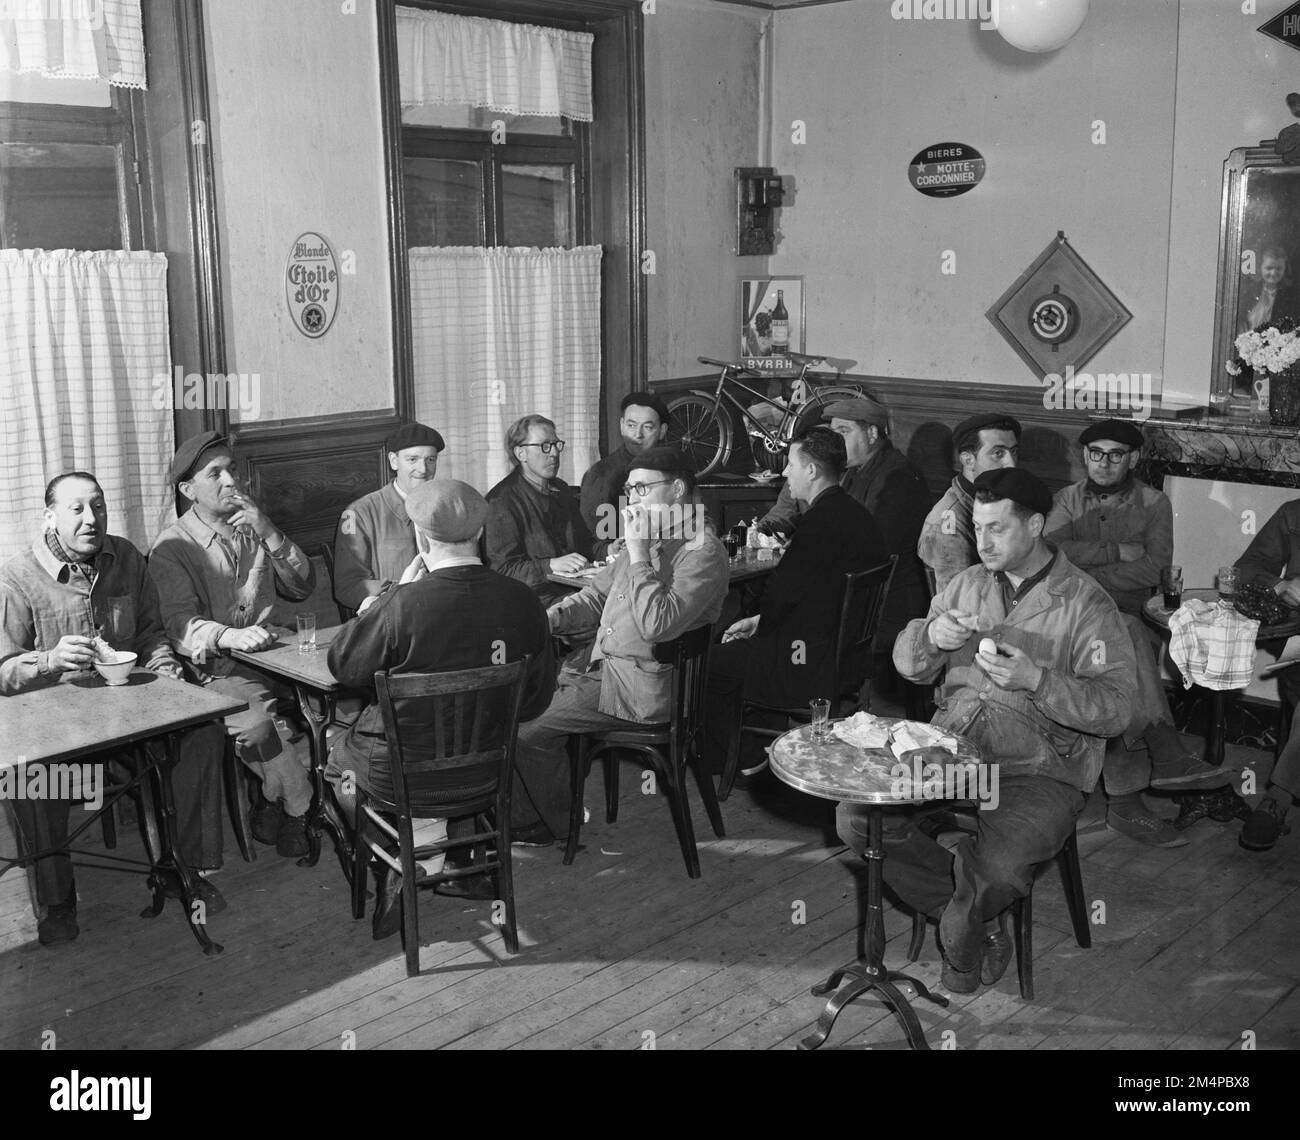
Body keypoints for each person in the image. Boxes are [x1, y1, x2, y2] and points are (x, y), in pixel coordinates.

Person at [842, 468, 1135, 993]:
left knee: (999, 872)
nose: (983, 542)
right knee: (858, 819)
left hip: (1039, 768)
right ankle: (978, 917)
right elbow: (910, 668)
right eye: (977, 528)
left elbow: (1116, 708)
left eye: (997, 528)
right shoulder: (968, 584)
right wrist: (931, 635)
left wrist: (1038, 680)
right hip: (953, 748)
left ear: (1038, 525)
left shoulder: (1087, 604)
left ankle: (961, 922)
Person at [0, 472, 226, 945]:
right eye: (77, 509)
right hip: (58, 735)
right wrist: (48, 660)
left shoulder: (124, 557)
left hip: (127, 720)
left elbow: (149, 632)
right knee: (26, 773)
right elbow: (3, 671)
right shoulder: (16, 576)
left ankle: (180, 866)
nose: (91, 519)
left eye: (98, 506)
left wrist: (165, 663)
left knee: (202, 730)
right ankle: (57, 900)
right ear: (50, 517)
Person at [325, 480, 556, 937]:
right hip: (489, 771)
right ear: (480, 534)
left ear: (421, 538)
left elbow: (344, 665)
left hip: (399, 774)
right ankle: (453, 855)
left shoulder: (401, 606)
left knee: (337, 763)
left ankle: (405, 859)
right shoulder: (524, 601)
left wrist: (387, 600)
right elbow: (535, 701)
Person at [512, 447, 729, 841]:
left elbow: (658, 624)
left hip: (647, 691)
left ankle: (553, 824)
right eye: (630, 490)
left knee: (526, 729)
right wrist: (545, 620)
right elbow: (595, 596)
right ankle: (531, 814)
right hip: (604, 670)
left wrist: (639, 552)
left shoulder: (703, 551)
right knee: (514, 700)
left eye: (643, 488)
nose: (633, 500)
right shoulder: (652, 536)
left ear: (678, 489)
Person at [1044, 420, 1231, 848]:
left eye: (1115, 454)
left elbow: (1154, 568)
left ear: (1133, 458)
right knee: (1123, 640)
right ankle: (1166, 756)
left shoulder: (1154, 503)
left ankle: (1127, 805)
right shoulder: (1065, 501)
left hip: (1125, 616)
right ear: (1084, 455)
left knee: (1122, 651)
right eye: (1095, 453)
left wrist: (1087, 567)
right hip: (1071, 619)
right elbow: (1053, 556)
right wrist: (1112, 552)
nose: (1104, 463)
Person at [149, 431, 317, 859]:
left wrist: (271, 533)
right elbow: (178, 623)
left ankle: (269, 793)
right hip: (221, 668)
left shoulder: (254, 525)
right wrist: (228, 635)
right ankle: (302, 805)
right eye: (215, 473)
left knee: (346, 699)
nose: (231, 481)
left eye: (232, 470)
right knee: (260, 727)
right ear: (188, 491)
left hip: (280, 653)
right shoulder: (172, 548)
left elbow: (302, 587)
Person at [706, 427, 887, 783]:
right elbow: (803, 600)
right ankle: (760, 750)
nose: (785, 472)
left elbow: (779, 597)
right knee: (751, 643)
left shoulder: (818, 523)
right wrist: (759, 621)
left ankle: (731, 761)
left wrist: (760, 618)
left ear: (812, 471)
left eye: (790, 464)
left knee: (710, 664)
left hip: (809, 667)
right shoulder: (855, 514)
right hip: (844, 658)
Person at [760, 395, 931, 663]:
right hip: (855, 602)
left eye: (844, 431)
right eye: (834, 432)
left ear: (872, 433)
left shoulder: (898, 478)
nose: (837, 441)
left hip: (886, 608)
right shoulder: (852, 470)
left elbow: (871, 551)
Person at [1233, 497, 1300, 850]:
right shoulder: (1294, 513)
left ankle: (1279, 796)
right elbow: (1245, 568)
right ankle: (1280, 796)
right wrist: (1282, 586)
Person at [332, 422, 445, 615]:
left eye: (430, 460)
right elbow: (348, 586)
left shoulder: (445, 506)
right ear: (394, 461)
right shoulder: (359, 513)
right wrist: (403, 591)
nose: (423, 469)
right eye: (412, 460)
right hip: (396, 615)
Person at [484, 414, 597, 607]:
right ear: (521, 454)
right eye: (545, 446)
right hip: (534, 604)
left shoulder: (561, 489)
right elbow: (503, 571)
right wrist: (551, 565)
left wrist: (610, 549)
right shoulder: (501, 501)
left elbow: (584, 544)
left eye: (556, 444)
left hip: (574, 593)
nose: (554, 453)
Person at [917, 413, 1021, 594]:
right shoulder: (950, 523)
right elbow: (959, 602)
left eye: (1013, 452)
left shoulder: (1000, 499)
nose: (1011, 464)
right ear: (968, 460)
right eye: (998, 453)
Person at [579, 392, 670, 555]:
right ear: (621, 426)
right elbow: (590, 545)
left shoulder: (671, 471)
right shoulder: (601, 476)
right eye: (631, 425)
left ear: (662, 431)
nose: (638, 435)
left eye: (647, 427)